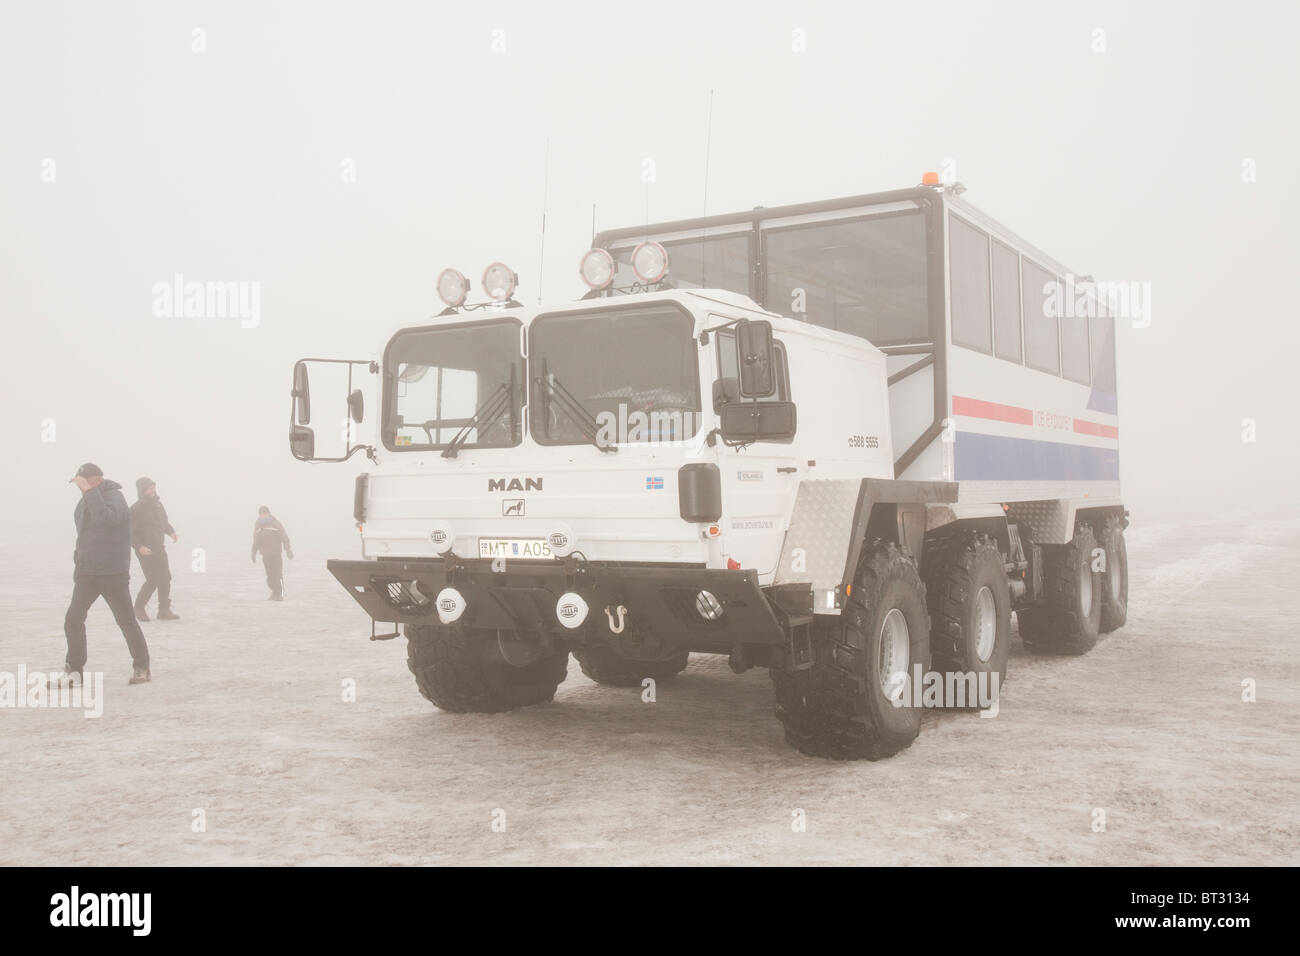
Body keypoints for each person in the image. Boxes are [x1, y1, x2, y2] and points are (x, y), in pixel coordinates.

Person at [58, 463, 151, 686]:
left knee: (126, 620)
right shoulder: (86, 501)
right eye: (78, 484)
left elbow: (105, 519)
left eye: (83, 482)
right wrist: (79, 563)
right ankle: (75, 672)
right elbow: (85, 536)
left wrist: (89, 492)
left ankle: (142, 667)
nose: (80, 487)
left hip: (112, 574)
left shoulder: (114, 497)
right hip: (87, 573)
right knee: (73, 619)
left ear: (97, 480)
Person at [130, 476, 179, 621]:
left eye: (154, 488)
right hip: (145, 549)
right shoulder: (135, 509)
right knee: (153, 579)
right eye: (150, 489)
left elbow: (164, 522)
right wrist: (139, 547)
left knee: (165, 577)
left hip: (159, 547)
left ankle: (164, 610)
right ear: (142, 491)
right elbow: (129, 532)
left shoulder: (158, 505)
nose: (153, 491)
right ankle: (138, 607)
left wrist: (171, 532)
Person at [251, 506, 293, 600]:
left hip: (276, 554)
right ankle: (274, 592)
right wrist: (253, 552)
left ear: (268, 513)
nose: (263, 515)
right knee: (270, 576)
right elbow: (256, 540)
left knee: (277, 574)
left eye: (265, 513)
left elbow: (284, 537)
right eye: (261, 514)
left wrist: (288, 550)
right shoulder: (258, 526)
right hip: (265, 555)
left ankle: (280, 594)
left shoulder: (275, 524)